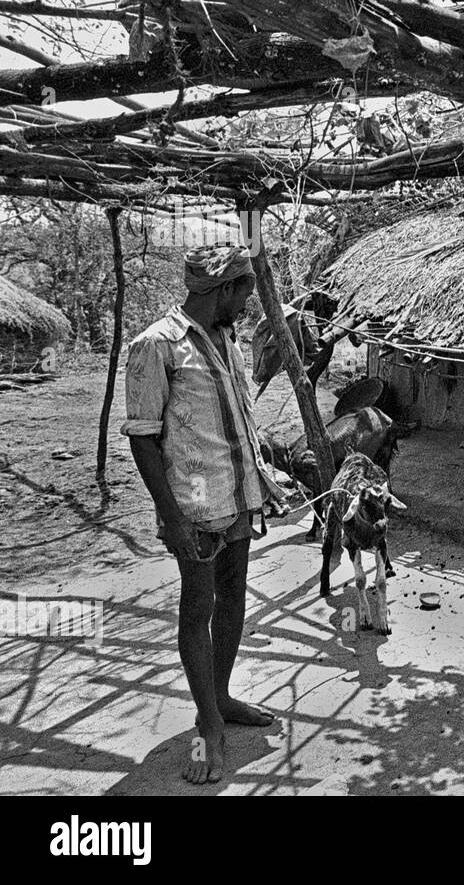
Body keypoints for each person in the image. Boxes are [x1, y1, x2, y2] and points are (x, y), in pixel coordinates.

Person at [122, 244, 288, 784]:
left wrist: (263, 478)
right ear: (221, 290)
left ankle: (218, 699)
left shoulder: (225, 341)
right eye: (243, 292)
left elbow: (237, 423)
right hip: (192, 508)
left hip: (236, 497)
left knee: (234, 595)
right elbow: (144, 438)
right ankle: (209, 727)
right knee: (199, 606)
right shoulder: (156, 346)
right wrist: (169, 517)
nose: (246, 304)